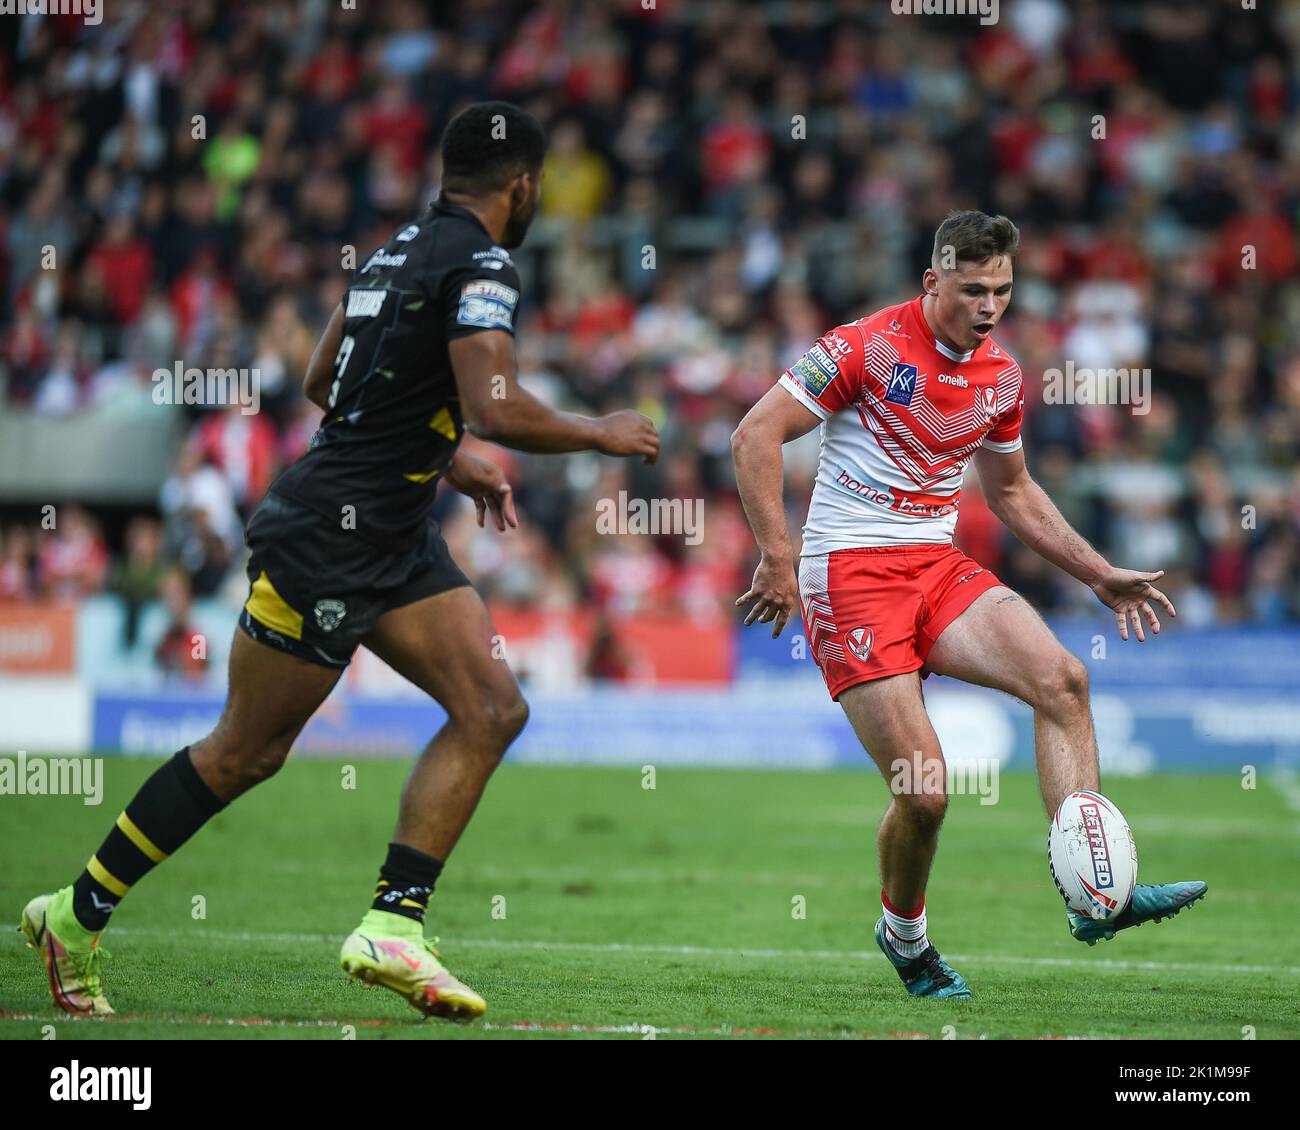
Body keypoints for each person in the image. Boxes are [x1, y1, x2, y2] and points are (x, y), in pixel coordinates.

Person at [20, 101, 659, 1020]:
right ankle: (75, 916)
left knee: (490, 706)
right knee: (245, 752)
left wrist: (443, 453)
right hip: (328, 538)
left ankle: (393, 926)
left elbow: (329, 381)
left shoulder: (394, 251)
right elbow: (496, 404)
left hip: (391, 531)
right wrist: (599, 431)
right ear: (523, 186)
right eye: (539, 187)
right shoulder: (483, 263)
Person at [731, 210, 1206, 1000]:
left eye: (1004, 290)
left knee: (1064, 681)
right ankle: (905, 937)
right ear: (933, 281)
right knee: (925, 792)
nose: (990, 306)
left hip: (936, 564)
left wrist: (1097, 571)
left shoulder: (1003, 377)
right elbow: (754, 435)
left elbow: (1012, 489)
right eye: (973, 289)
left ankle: (1099, 895)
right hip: (849, 574)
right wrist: (777, 558)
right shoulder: (862, 347)